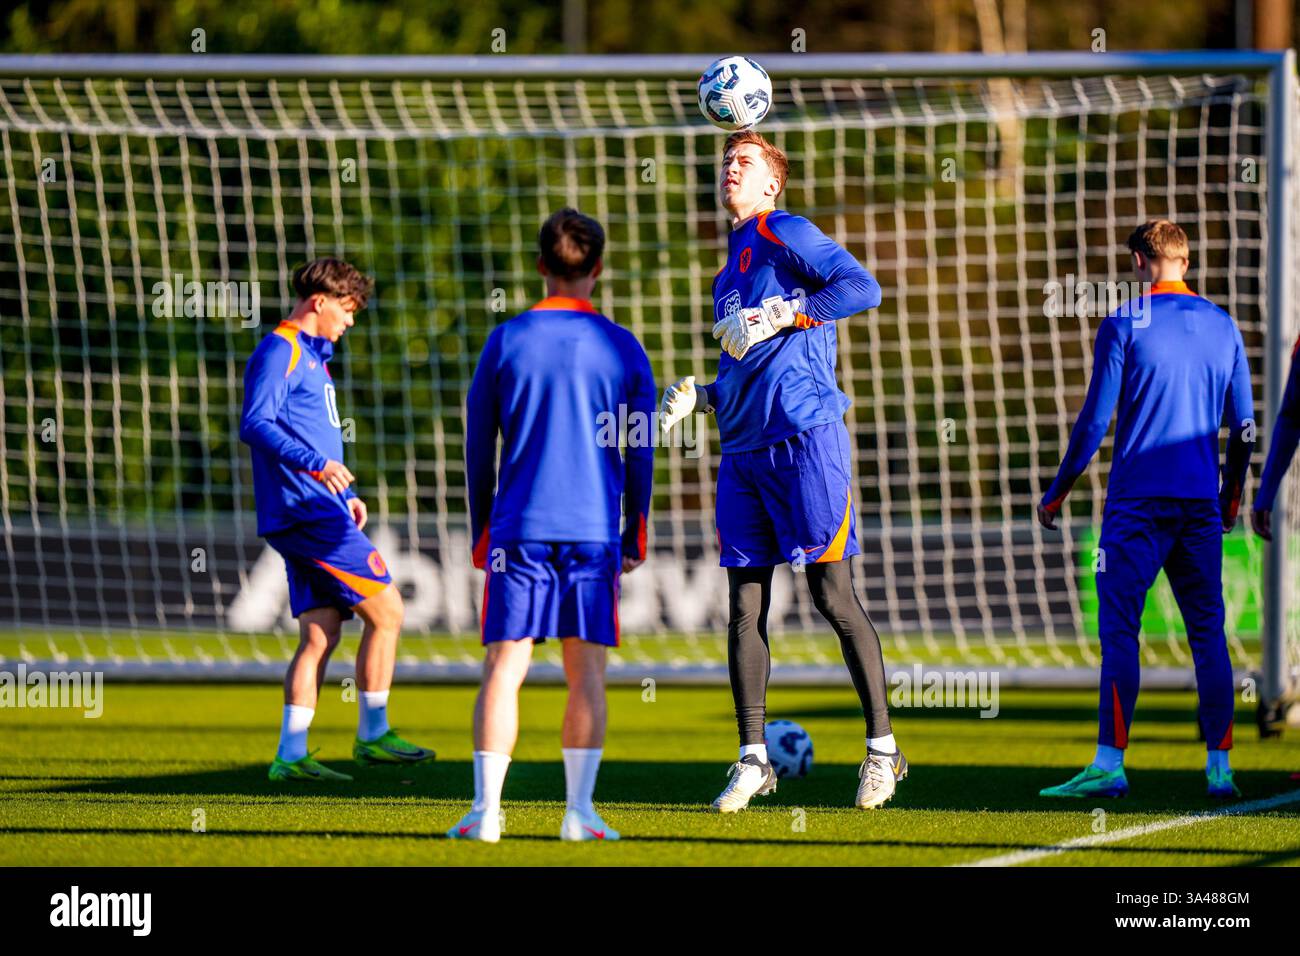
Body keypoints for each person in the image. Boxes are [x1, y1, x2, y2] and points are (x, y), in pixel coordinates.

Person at [660, 131, 903, 812]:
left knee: (831, 595)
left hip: (805, 439)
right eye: (726, 163)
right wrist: (705, 397)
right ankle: (752, 759)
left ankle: (884, 749)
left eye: (745, 163)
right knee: (743, 606)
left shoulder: (785, 230)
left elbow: (863, 287)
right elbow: (745, 362)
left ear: (772, 183)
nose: (730, 170)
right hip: (742, 451)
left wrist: (787, 311)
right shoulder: (725, 273)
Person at [449, 209, 655, 842]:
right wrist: (634, 532)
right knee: (586, 672)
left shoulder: (505, 341)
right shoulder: (622, 348)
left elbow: (478, 445)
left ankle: (487, 813)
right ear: (597, 268)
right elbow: (639, 448)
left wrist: (484, 528)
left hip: (519, 529)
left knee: (503, 667)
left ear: (541, 265)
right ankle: (578, 814)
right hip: (593, 530)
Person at [1037, 220, 1253, 799]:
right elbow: (1246, 430)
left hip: (1135, 507)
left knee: (1121, 633)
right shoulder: (1223, 325)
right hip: (1201, 507)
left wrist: (1057, 491)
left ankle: (1110, 765)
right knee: (1208, 633)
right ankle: (1219, 770)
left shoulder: (1124, 323)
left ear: (1138, 260)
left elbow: (1093, 424)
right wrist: (1230, 495)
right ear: (1185, 260)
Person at [241, 258, 435, 782]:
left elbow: (309, 432)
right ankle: (373, 735)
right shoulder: (280, 349)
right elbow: (254, 422)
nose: (350, 323)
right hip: (303, 513)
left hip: (316, 507)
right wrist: (316, 466)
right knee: (389, 611)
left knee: (321, 635)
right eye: (346, 311)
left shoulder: (313, 357)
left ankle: (291, 755)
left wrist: (341, 493)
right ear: (319, 301)